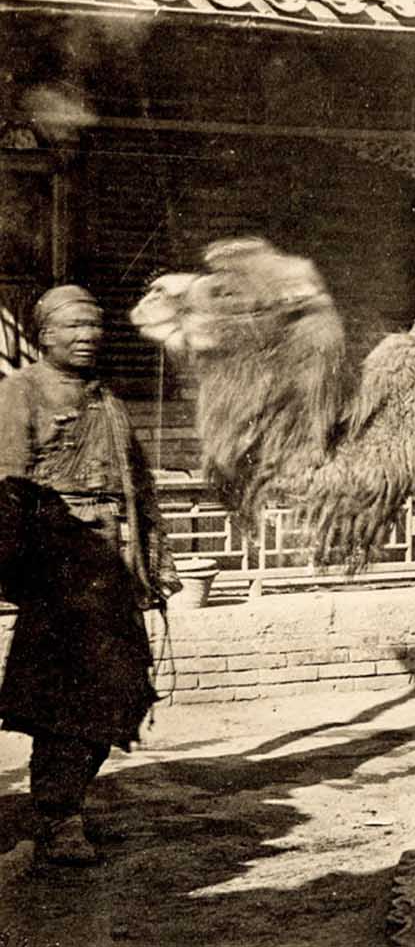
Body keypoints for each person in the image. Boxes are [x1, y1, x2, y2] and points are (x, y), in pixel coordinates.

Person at [0, 284, 181, 866]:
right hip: (57, 569)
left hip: (109, 567)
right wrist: (16, 568)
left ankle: (67, 805)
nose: (86, 337)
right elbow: (7, 491)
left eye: (94, 326)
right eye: (72, 327)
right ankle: (59, 819)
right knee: (63, 698)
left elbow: (138, 485)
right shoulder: (18, 393)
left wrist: (155, 561)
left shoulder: (107, 398)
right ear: (42, 334)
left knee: (117, 689)